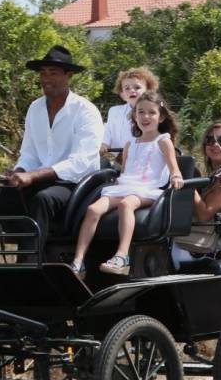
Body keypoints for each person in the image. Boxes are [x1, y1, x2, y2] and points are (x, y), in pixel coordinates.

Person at [0, 45, 103, 262]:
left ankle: (27, 267)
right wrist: (19, 171)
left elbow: (80, 163)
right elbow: (29, 153)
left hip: (73, 186)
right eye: (43, 73)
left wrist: (33, 176)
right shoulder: (35, 108)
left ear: (69, 75)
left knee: (42, 199)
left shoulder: (86, 111)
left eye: (53, 73)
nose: (46, 79)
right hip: (38, 181)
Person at [70, 91, 184, 276]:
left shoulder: (163, 141)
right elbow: (125, 172)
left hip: (148, 189)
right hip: (127, 186)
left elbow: (174, 168)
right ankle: (78, 260)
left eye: (151, 112)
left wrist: (176, 178)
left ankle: (122, 256)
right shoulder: (130, 143)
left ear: (161, 117)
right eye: (140, 112)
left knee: (126, 204)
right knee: (93, 210)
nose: (145, 117)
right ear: (134, 115)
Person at [172, 119, 221, 267]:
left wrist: (187, 182)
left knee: (163, 250)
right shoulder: (220, 172)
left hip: (217, 249)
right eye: (210, 140)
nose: (215, 144)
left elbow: (203, 214)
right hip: (207, 240)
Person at [100, 66, 159, 172]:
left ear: (148, 91)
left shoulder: (154, 112)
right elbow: (108, 130)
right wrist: (104, 144)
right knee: (98, 164)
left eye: (137, 87)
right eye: (127, 88)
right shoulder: (114, 111)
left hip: (144, 160)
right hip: (117, 159)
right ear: (122, 94)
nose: (132, 90)